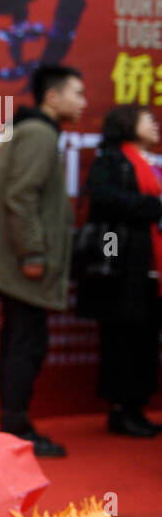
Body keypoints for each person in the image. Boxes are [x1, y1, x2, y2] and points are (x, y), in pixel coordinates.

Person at [0, 63, 85, 457]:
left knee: (19, 339)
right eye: (77, 92)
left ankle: (14, 424)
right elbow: (21, 197)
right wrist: (34, 252)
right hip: (22, 263)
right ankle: (17, 428)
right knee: (27, 342)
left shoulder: (31, 131)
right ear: (52, 96)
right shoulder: (40, 134)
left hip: (18, 261)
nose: (83, 102)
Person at [78, 105, 162, 436]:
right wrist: (152, 206)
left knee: (144, 338)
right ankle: (119, 410)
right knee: (121, 338)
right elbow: (102, 200)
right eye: (147, 119)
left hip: (148, 267)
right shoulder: (111, 160)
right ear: (127, 125)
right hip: (120, 264)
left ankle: (136, 408)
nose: (155, 124)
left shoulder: (150, 164)